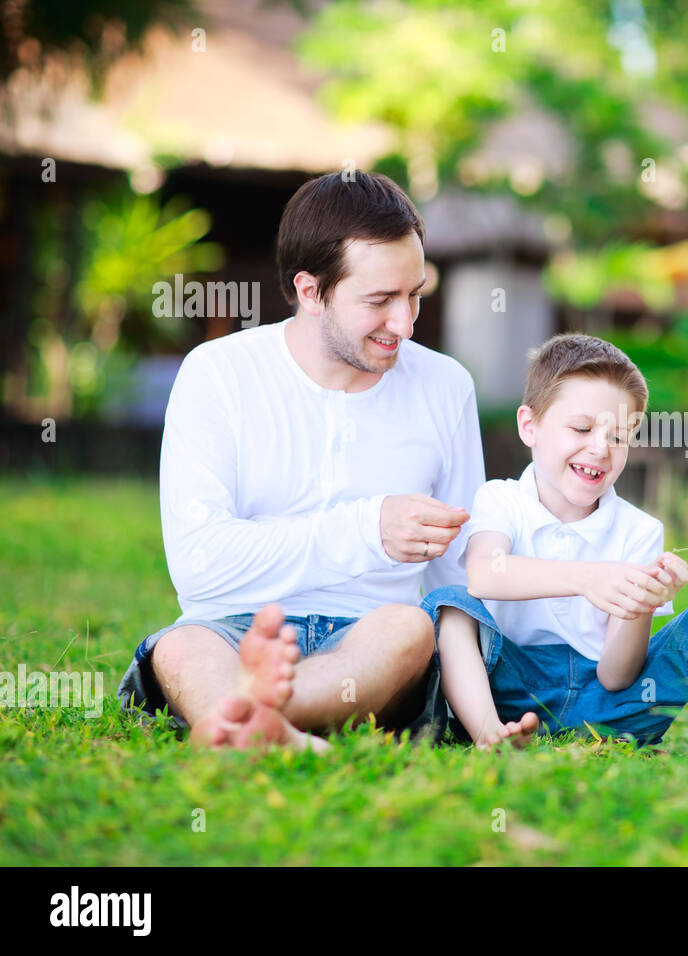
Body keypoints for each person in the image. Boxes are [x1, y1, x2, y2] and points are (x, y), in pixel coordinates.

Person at [116, 171, 484, 751]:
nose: (406, 324)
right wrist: (368, 529)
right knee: (181, 645)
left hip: (370, 636)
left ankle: (252, 720)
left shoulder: (446, 386)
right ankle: (253, 721)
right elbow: (200, 564)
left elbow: (457, 579)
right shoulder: (218, 374)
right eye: (380, 301)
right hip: (233, 628)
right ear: (310, 292)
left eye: (415, 294)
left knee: (409, 628)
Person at [420, 333, 688, 763]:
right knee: (449, 604)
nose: (601, 448)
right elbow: (484, 573)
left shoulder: (640, 530)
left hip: (609, 706)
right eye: (582, 428)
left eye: (619, 436)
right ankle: (490, 734)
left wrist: (640, 604)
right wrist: (589, 578)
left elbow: (617, 674)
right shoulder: (501, 499)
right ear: (529, 425)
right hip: (509, 690)